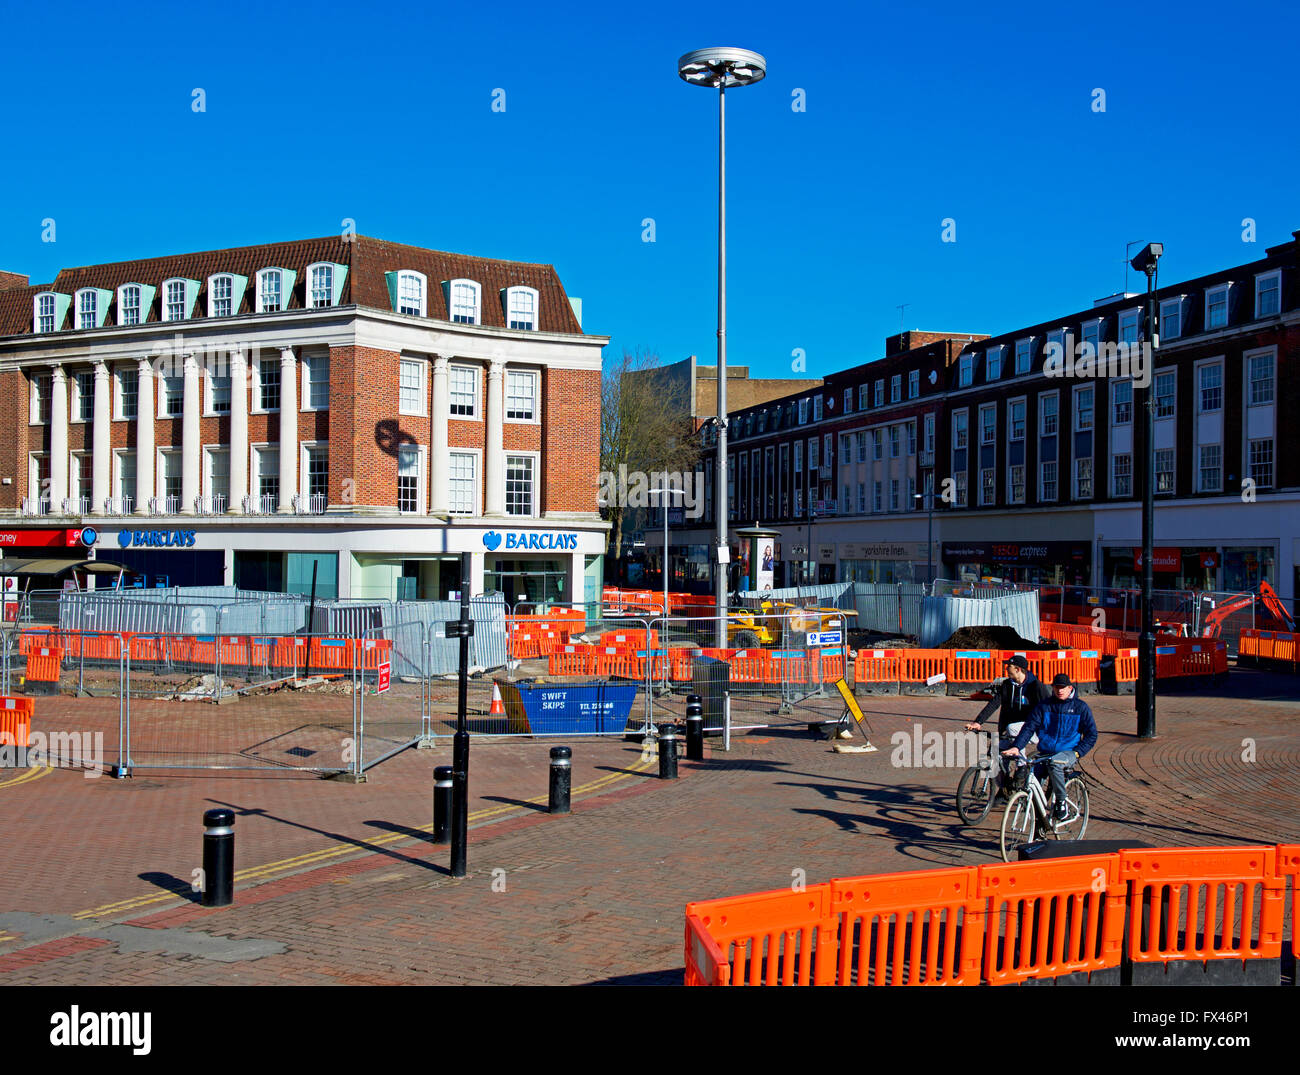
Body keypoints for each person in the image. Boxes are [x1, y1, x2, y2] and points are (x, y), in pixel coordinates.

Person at [1003, 673, 1098, 822]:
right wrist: (1016, 746)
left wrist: (1078, 752)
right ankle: (1039, 823)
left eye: (1063, 688)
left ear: (1070, 688)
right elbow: (1029, 727)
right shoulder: (1044, 706)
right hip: (1045, 751)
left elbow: (1092, 735)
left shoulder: (1081, 708)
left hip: (1068, 752)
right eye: (1056, 687)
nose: (1059, 691)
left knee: (1055, 764)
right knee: (1032, 777)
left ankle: (1061, 802)